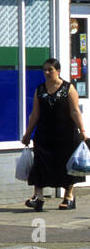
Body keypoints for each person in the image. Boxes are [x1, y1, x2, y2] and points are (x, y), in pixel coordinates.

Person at [20, 58, 85, 211]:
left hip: (66, 134)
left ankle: (69, 196)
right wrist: (28, 133)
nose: (47, 72)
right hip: (44, 134)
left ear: (58, 71)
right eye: (45, 70)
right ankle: (38, 197)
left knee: (67, 165)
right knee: (40, 164)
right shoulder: (40, 89)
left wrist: (82, 131)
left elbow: (75, 111)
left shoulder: (68, 88)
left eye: (50, 69)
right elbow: (35, 114)